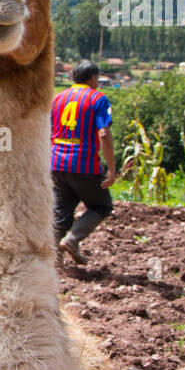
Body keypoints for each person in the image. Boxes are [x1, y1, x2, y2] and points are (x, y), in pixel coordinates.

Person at [51, 59, 116, 265]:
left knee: (62, 212)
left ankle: (51, 256)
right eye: (97, 78)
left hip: (57, 163)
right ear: (92, 78)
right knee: (101, 205)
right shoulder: (99, 99)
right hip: (83, 163)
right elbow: (104, 134)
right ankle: (73, 239)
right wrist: (112, 170)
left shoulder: (58, 98)